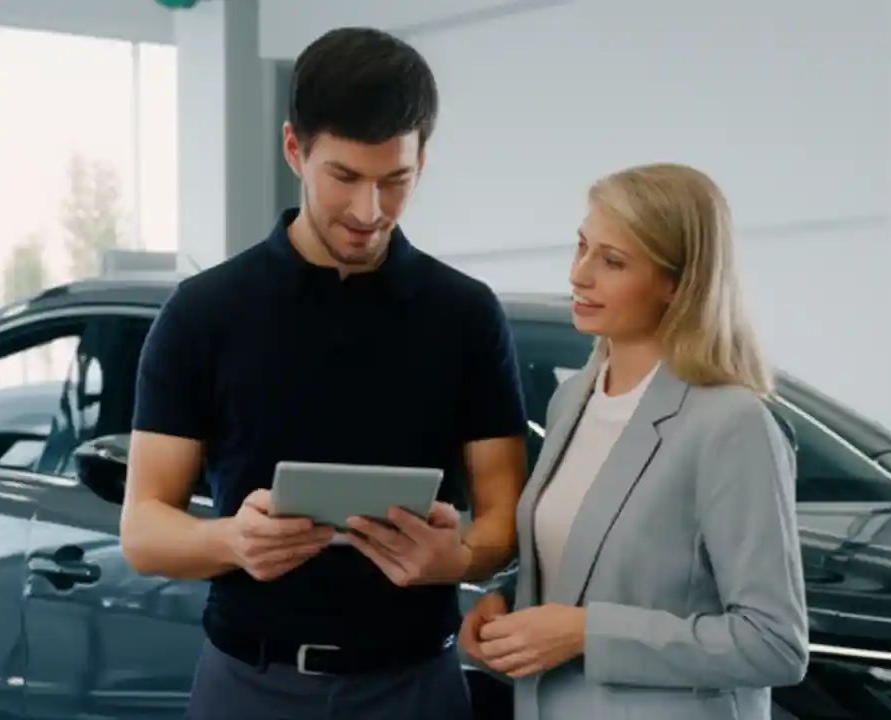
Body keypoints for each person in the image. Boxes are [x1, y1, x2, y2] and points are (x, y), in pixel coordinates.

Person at [120, 26, 528, 720]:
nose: (369, 212)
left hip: (416, 687)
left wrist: (453, 558)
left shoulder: (466, 315)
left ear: (422, 159)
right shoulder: (205, 312)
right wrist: (231, 541)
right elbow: (144, 530)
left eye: (394, 181)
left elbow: (504, 524)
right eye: (344, 177)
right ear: (294, 149)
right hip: (250, 685)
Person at [459, 163, 809, 719]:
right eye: (581, 247)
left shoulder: (730, 423)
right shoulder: (573, 398)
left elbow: (774, 644)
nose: (579, 275)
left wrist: (588, 634)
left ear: (677, 284)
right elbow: (583, 565)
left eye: (612, 261)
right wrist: (509, 608)